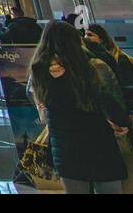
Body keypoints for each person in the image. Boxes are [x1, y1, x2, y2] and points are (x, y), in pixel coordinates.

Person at [29, 19, 129, 193]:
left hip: (65, 145)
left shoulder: (38, 71)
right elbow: (108, 99)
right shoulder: (90, 66)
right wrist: (122, 123)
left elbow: (34, 98)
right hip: (98, 141)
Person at [86, 25, 133, 105]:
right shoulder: (90, 58)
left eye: (90, 35)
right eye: (85, 34)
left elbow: (128, 85)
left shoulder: (120, 58)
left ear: (101, 39)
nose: (86, 37)